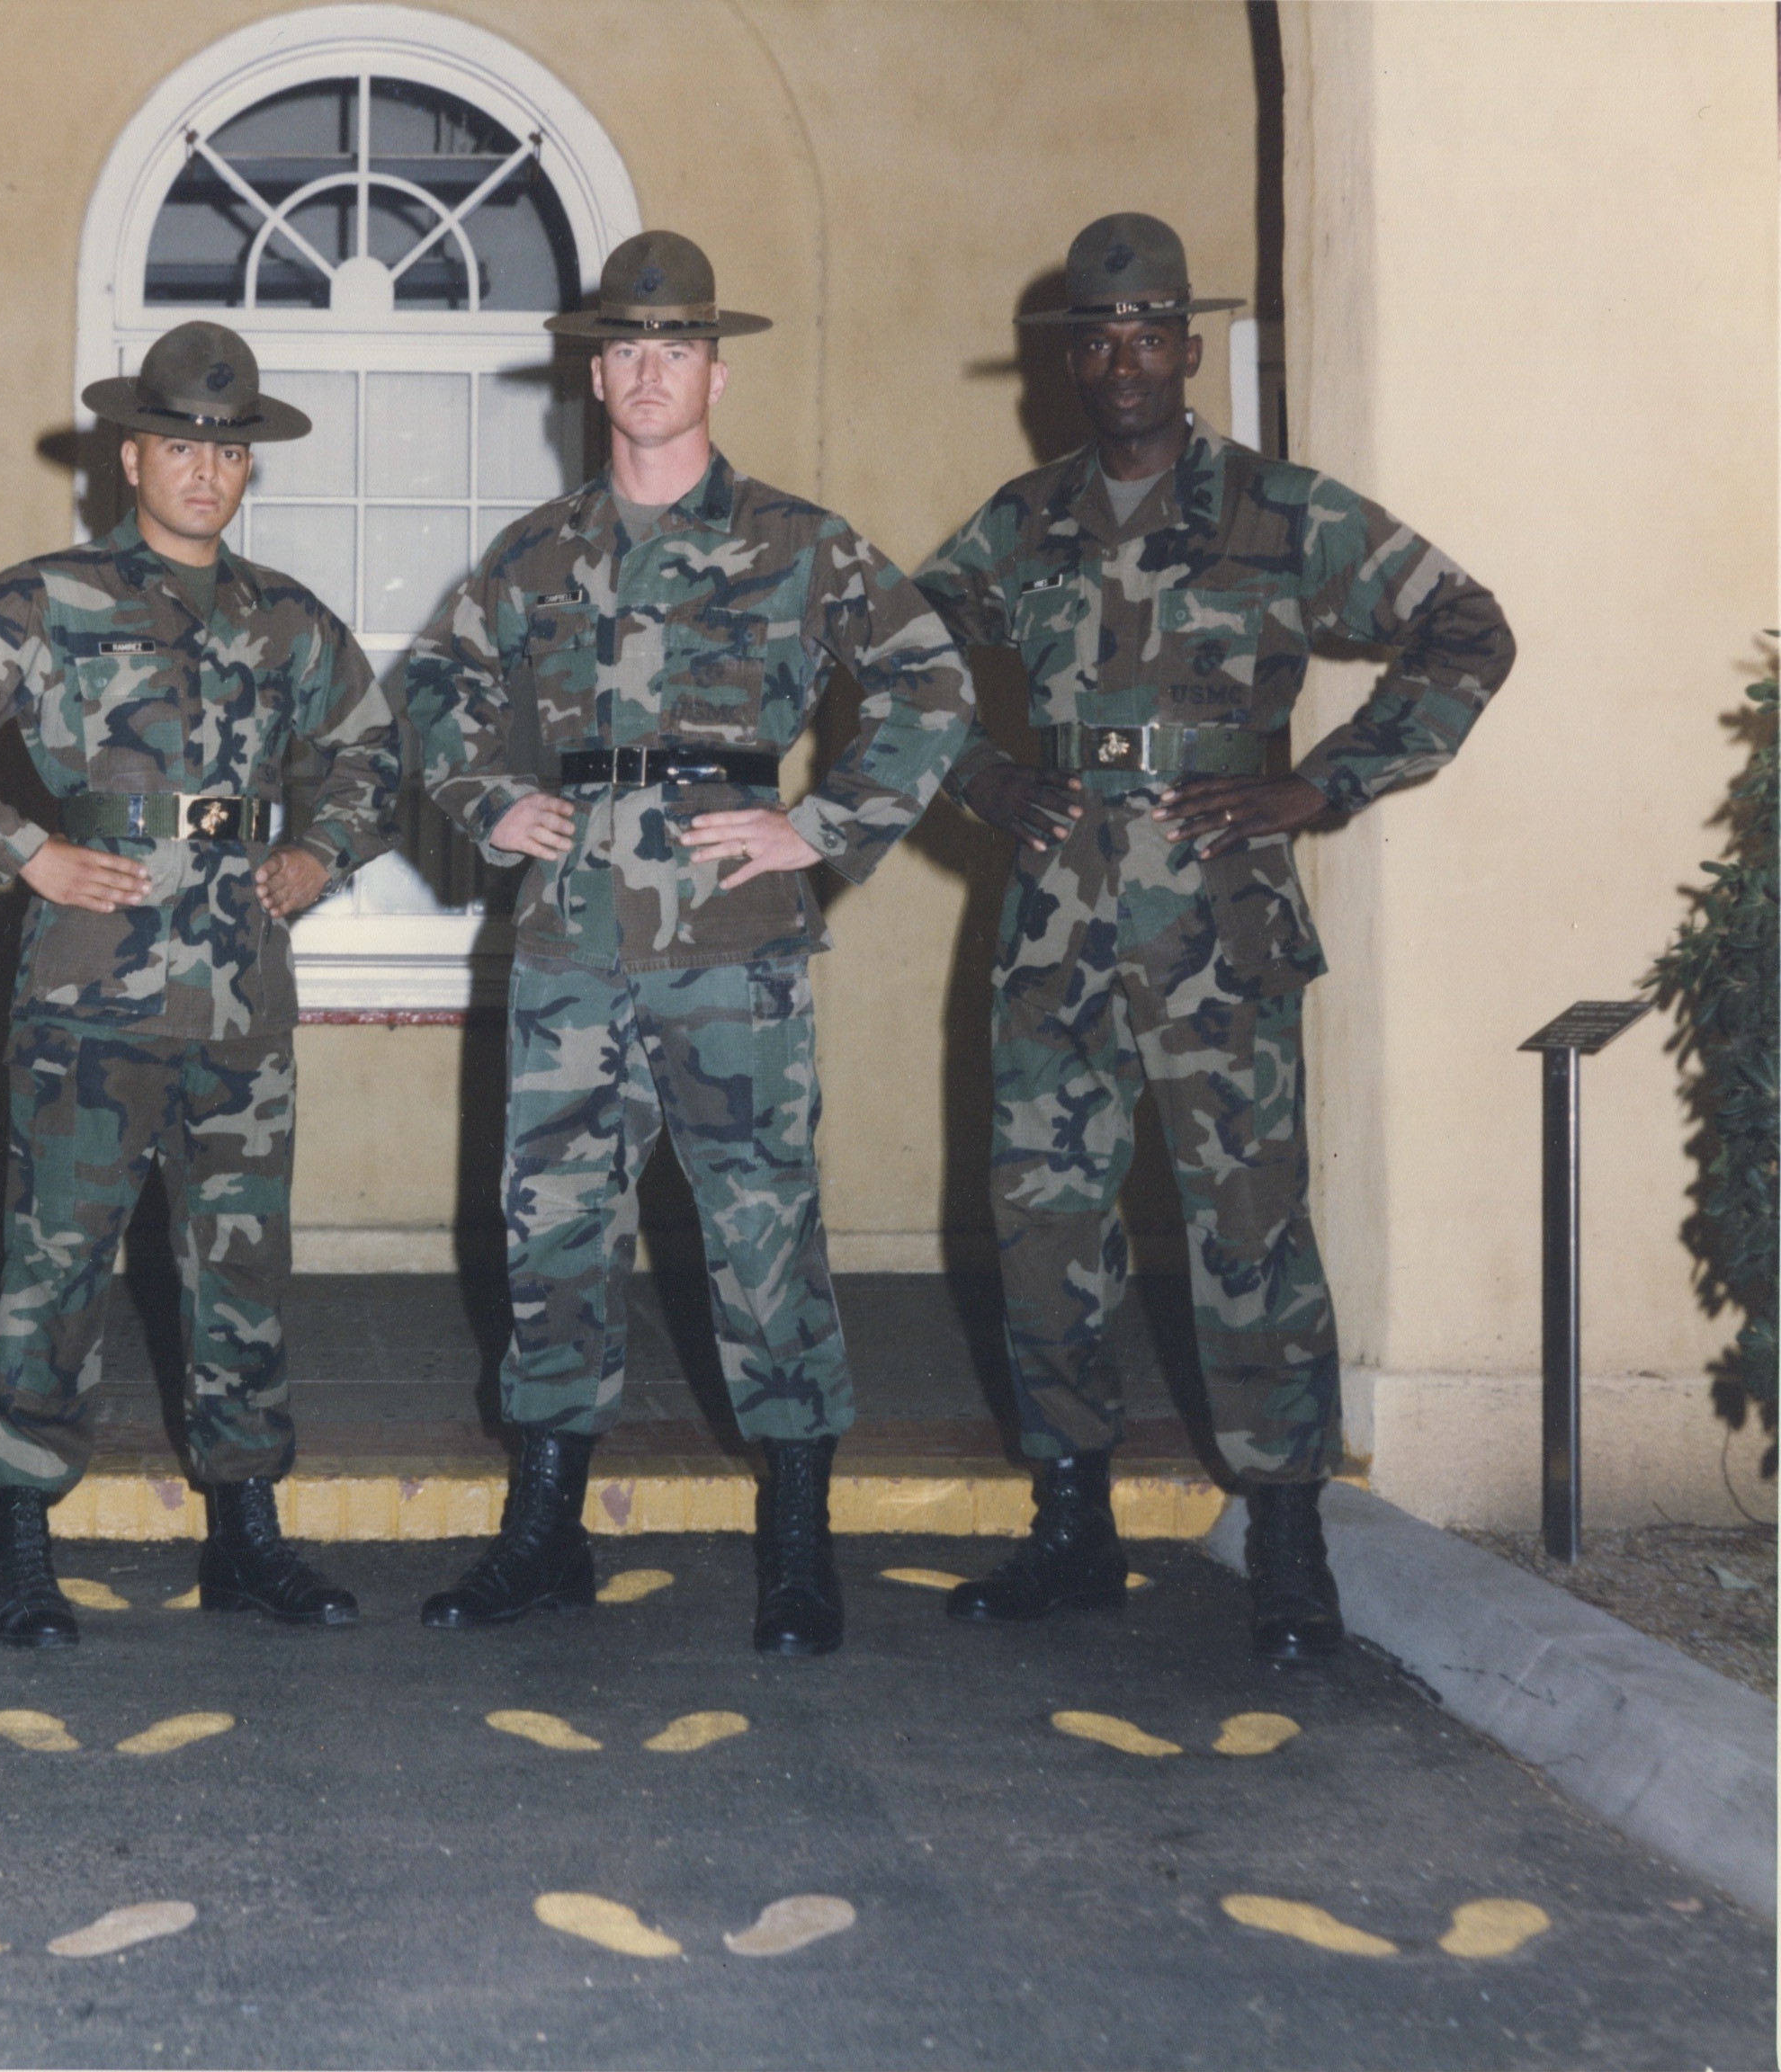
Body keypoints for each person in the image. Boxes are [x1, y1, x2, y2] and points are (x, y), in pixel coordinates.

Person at [911, 213, 1515, 1659]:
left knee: (1247, 1227)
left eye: (1148, 333)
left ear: (1191, 348)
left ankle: (1290, 1538)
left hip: (1217, 924)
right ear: (1070, 361)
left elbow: (1469, 628)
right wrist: (981, 775)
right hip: (1055, 924)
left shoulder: (1283, 511)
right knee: (1043, 1219)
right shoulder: (1022, 519)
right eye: (1097, 337)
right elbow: (895, 652)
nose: (1122, 360)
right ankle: (1072, 1523)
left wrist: (1322, 782)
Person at [406, 231, 979, 1656]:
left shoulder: (801, 542)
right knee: (551, 1240)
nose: (649, 371)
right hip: (569, 944)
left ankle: (797, 1544)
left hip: (735, 945)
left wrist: (828, 823)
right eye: (626, 349)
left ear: (716, 369)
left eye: (676, 348)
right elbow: (428, 687)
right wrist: (490, 797)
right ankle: (544, 1533)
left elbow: (931, 681)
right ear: (597, 372)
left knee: (762, 1230)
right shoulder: (533, 554)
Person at [0, 321, 398, 1648]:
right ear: (132, 453)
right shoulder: (46, 602)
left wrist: (321, 849)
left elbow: (375, 756)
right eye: (179, 446)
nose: (204, 471)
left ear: (248, 466)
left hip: (239, 998)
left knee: (242, 1272)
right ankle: (24, 1538)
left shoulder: (289, 621)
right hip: (89, 997)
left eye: (227, 448)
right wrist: (25, 848)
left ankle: (247, 1533)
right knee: (57, 1264)